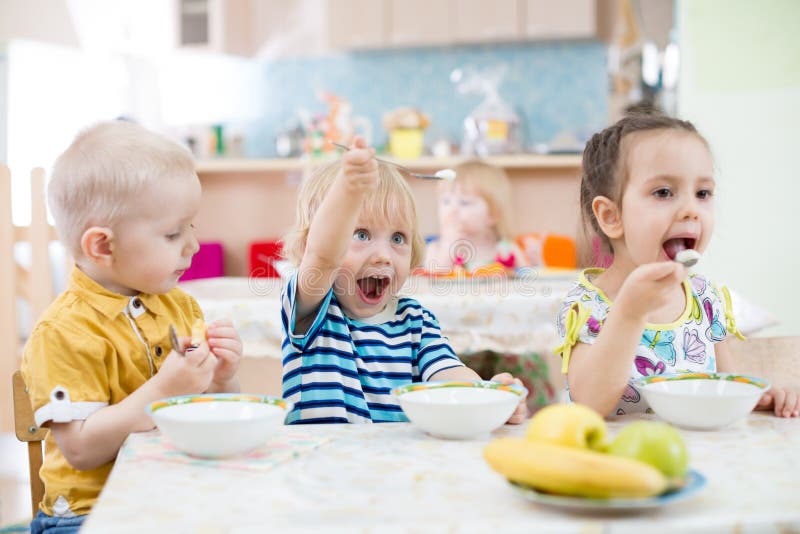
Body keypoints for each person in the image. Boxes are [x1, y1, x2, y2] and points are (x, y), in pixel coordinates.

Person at [21, 121, 243, 533]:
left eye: (191, 227)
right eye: (173, 233)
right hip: (91, 513)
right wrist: (163, 391)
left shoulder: (180, 306)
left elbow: (207, 414)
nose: (194, 245)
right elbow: (81, 450)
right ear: (103, 246)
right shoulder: (63, 332)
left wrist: (222, 379)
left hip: (173, 496)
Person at [555, 112, 799, 418]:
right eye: (663, 192)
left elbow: (725, 387)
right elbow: (588, 405)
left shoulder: (704, 298)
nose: (690, 210)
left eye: (702, 193)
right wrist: (630, 313)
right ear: (611, 216)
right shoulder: (587, 306)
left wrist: (755, 399)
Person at [280, 137, 528, 424]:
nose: (384, 256)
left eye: (398, 238)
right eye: (361, 234)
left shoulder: (416, 320)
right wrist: (349, 190)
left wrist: (488, 397)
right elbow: (323, 255)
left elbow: (449, 375)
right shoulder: (312, 308)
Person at [423, 159, 527, 273]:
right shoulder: (435, 248)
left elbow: (530, 278)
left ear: (493, 215)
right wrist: (449, 245)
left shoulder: (507, 250)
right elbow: (434, 275)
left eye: (464, 202)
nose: (452, 210)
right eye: (446, 201)